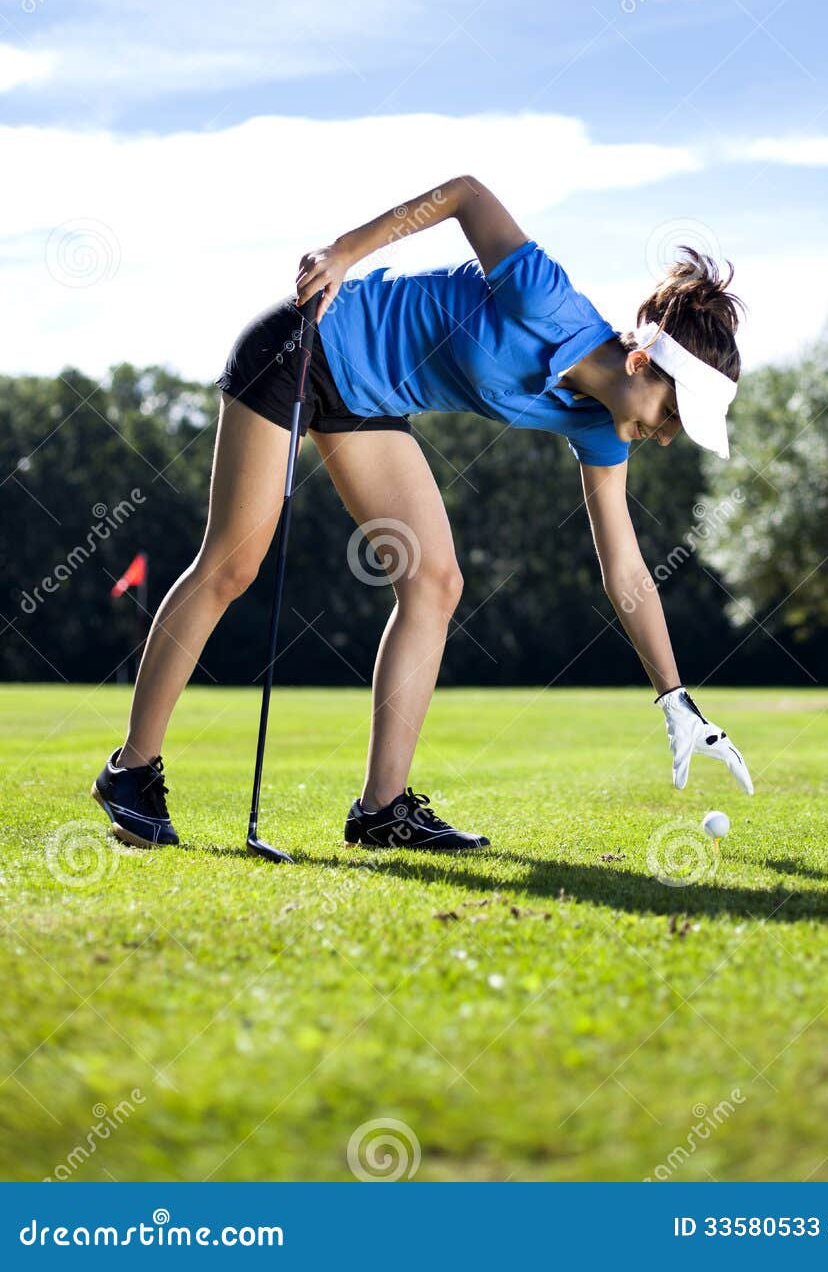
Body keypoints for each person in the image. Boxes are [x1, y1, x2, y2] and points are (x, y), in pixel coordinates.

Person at [91, 175, 754, 853]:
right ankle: (131, 771)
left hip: (366, 401)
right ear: (642, 362)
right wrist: (346, 252)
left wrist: (674, 695)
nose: (667, 435)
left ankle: (382, 810)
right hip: (305, 342)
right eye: (670, 413)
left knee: (434, 582)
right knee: (232, 564)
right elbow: (466, 194)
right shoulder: (545, 297)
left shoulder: (605, 430)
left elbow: (625, 567)